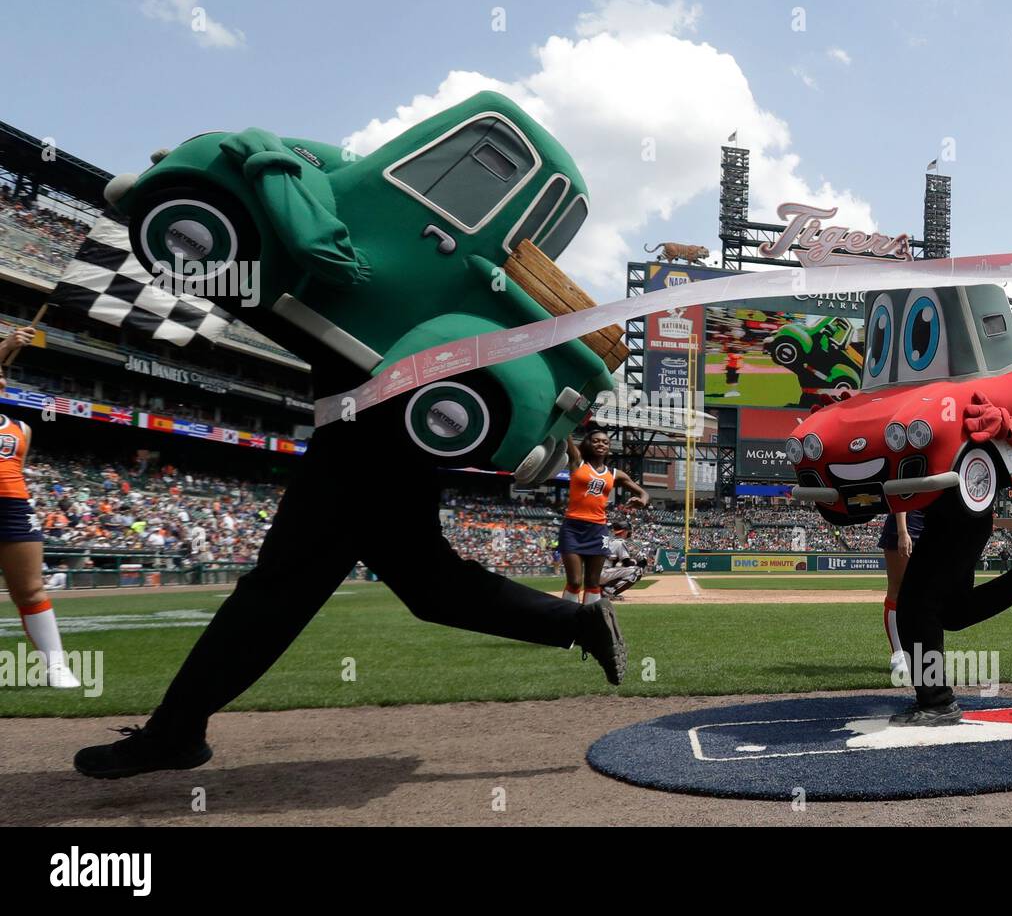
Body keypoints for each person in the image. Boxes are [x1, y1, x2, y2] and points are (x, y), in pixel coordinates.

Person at [74, 364, 628, 780]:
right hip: (391, 424)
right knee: (427, 584)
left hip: (366, 426)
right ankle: (577, 624)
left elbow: (322, 253)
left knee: (278, 591)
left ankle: (176, 732)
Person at [891, 392, 1012, 725]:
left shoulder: (961, 395)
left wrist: (1002, 421)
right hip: (962, 514)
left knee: (916, 607)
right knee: (953, 612)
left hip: (959, 513)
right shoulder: (932, 399)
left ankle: (937, 703)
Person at [0, 326, 79, 689]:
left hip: (14, 507)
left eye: (3, 376)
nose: (2, 378)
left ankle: (56, 666)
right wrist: (6, 345)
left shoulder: (22, 428)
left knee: (30, 590)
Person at [560, 428, 648, 605]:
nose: (601, 444)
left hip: (598, 530)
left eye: (605, 442)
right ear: (587, 443)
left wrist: (642, 500)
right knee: (575, 581)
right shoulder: (578, 462)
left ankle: (589, 624)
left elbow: (642, 492)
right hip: (573, 528)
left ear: (609, 448)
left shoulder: (614, 474)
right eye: (596, 441)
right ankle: (567, 621)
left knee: (593, 582)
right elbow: (565, 433)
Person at [879, 510, 924, 680]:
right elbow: (901, 494)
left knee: (925, 594)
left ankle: (919, 652)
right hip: (907, 522)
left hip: (933, 523)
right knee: (897, 591)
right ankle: (899, 654)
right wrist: (902, 532)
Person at [601, 521, 647, 601]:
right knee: (637, 571)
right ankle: (609, 592)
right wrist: (636, 562)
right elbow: (627, 563)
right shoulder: (620, 542)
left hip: (597, 574)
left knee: (620, 566)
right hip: (604, 573)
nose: (629, 533)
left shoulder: (609, 541)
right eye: (628, 531)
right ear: (625, 531)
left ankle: (603, 590)